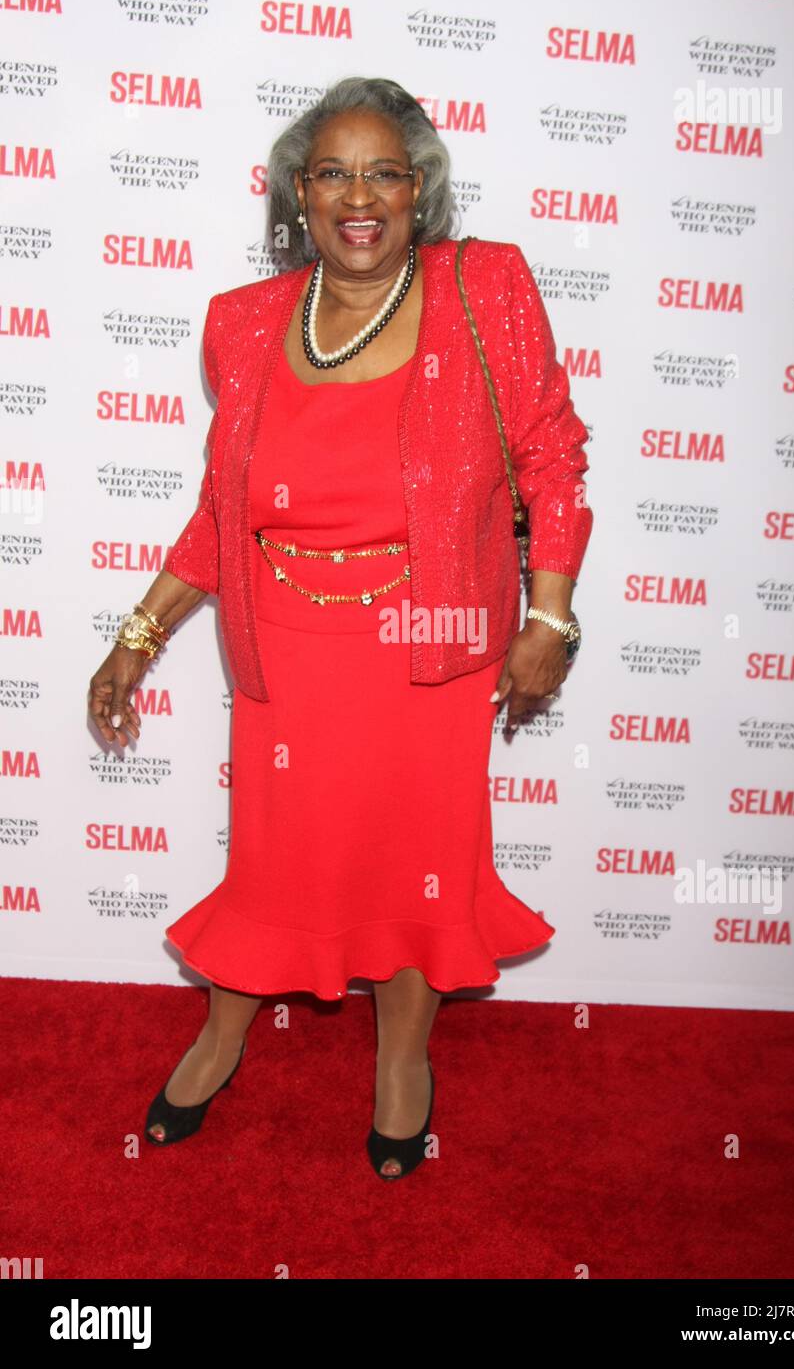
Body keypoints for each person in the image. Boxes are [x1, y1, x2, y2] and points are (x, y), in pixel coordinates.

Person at [87, 76, 593, 1179]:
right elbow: (223, 511)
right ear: (297, 194)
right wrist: (137, 633)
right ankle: (223, 1034)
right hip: (288, 644)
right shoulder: (245, 321)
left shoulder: (483, 285)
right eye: (331, 172)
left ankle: (401, 1061)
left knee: (413, 865)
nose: (357, 195)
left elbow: (550, 456)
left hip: (432, 644)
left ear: (420, 189)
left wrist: (548, 613)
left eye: (384, 171)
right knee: (277, 866)